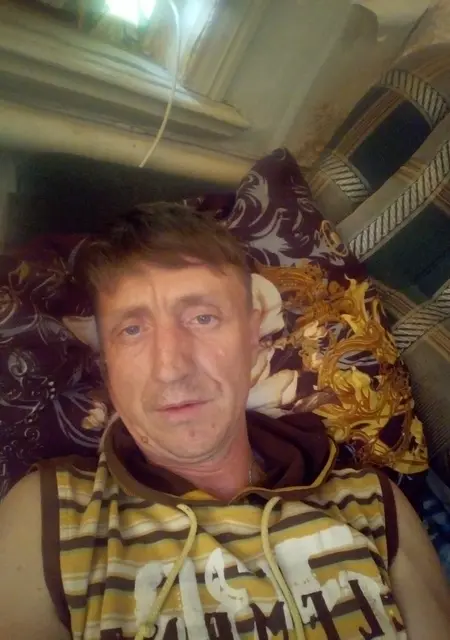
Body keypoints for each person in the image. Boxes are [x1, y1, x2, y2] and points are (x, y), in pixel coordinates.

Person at [0, 203, 448, 640]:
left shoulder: (372, 504)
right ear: (107, 363)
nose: (170, 368)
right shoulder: (48, 515)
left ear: (254, 336)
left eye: (203, 317)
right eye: (132, 329)